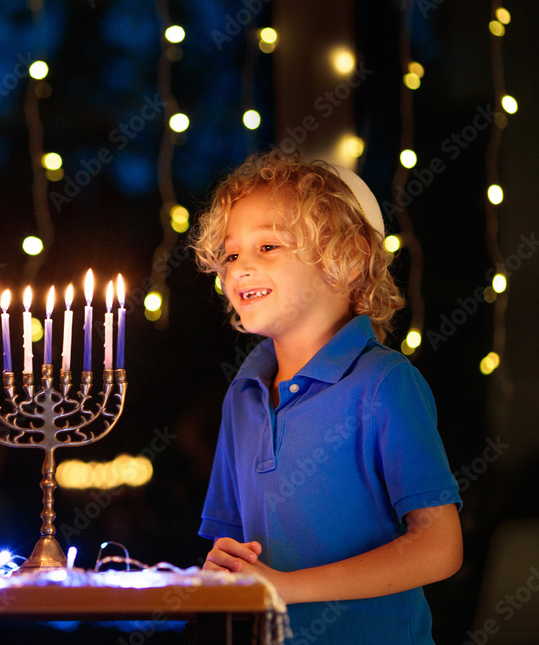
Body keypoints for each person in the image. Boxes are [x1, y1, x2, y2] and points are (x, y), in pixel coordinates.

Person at [191, 150, 462, 644]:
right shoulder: (242, 399)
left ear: (350, 258)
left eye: (268, 246)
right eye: (230, 254)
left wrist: (287, 588)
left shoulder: (385, 384)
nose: (240, 267)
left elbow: (440, 548)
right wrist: (221, 567)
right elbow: (230, 548)